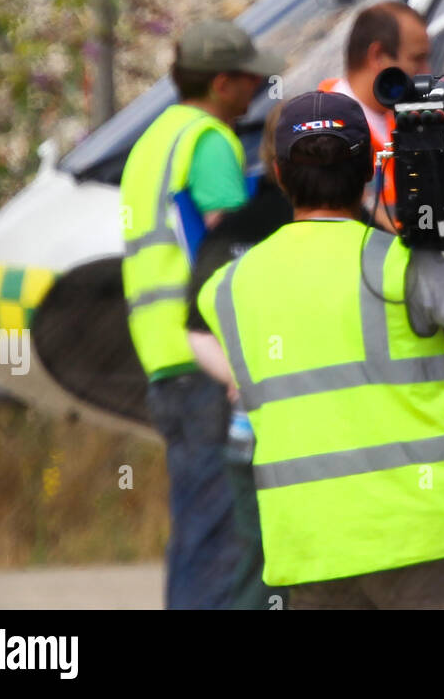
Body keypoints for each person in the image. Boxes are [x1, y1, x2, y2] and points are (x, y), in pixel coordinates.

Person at [192, 90, 444, 608]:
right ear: (372, 169)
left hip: (310, 550)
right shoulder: (405, 268)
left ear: (279, 175)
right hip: (428, 539)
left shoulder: (226, 290)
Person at [119, 18, 283, 609]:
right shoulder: (207, 140)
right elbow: (232, 250)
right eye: (248, 79)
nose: (258, 87)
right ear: (221, 84)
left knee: (197, 529)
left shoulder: (152, 141)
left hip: (164, 356)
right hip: (209, 358)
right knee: (228, 538)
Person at [185, 103, 293, 610]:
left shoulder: (233, 231)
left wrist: (238, 376)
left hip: (253, 437)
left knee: (263, 566)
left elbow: (196, 330)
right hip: (285, 439)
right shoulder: (364, 236)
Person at [319, 1, 431, 230]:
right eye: (417, 59)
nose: (426, 71)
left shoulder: (400, 117)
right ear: (378, 55)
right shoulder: (324, 136)